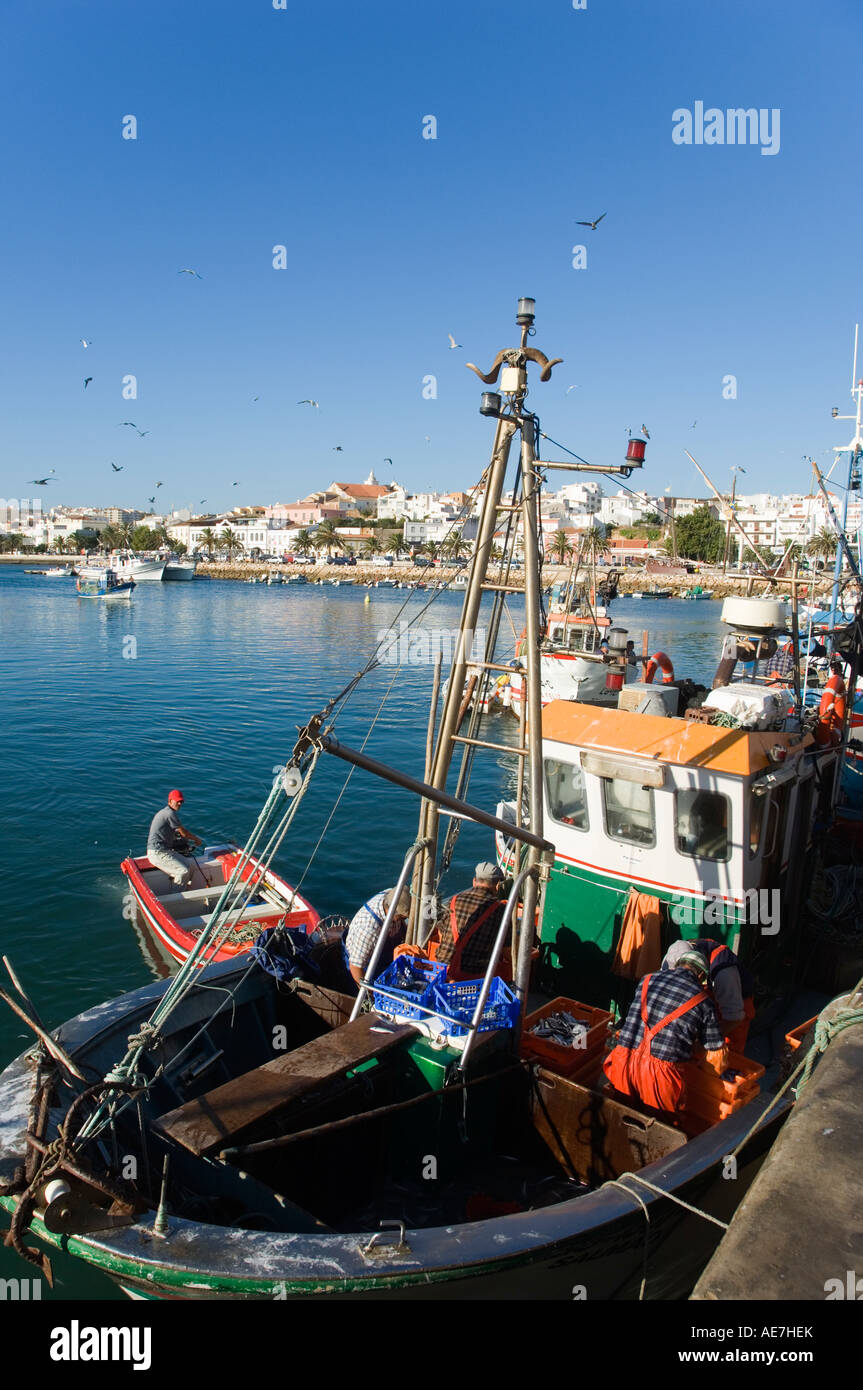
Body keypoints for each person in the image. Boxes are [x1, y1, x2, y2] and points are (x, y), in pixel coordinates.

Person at [603, 951, 727, 1116]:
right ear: (701, 975)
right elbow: (716, 1053)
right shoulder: (704, 1001)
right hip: (660, 1077)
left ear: (678, 965)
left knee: (617, 1117)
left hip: (623, 1060)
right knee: (657, 1129)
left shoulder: (647, 980)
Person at [663, 938, 755, 1052]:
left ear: (700, 972)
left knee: (725, 1056)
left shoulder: (724, 973)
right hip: (710, 999)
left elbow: (734, 1018)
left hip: (733, 1012)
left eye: (687, 975)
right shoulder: (670, 960)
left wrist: (703, 1043)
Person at [431, 862, 506, 982]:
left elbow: (442, 930)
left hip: (442, 969)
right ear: (497, 886)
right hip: (473, 975)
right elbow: (506, 946)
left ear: (474, 881)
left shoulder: (454, 900)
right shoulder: (500, 910)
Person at [343, 887, 411, 988]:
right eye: (403, 917)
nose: (404, 919)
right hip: (363, 963)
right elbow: (356, 967)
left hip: (384, 950)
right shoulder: (368, 930)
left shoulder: (390, 894)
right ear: (393, 913)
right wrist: (368, 992)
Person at [147, 790, 204, 888]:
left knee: (189, 865)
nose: (179, 803)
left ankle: (185, 888)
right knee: (183, 871)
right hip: (157, 853)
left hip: (165, 850)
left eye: (181, 801)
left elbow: (176, 832)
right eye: (177, 801)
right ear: (169, 801)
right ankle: (178, 896)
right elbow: (183, 833)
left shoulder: (166, 812)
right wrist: (196, 839)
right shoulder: (169, 814)